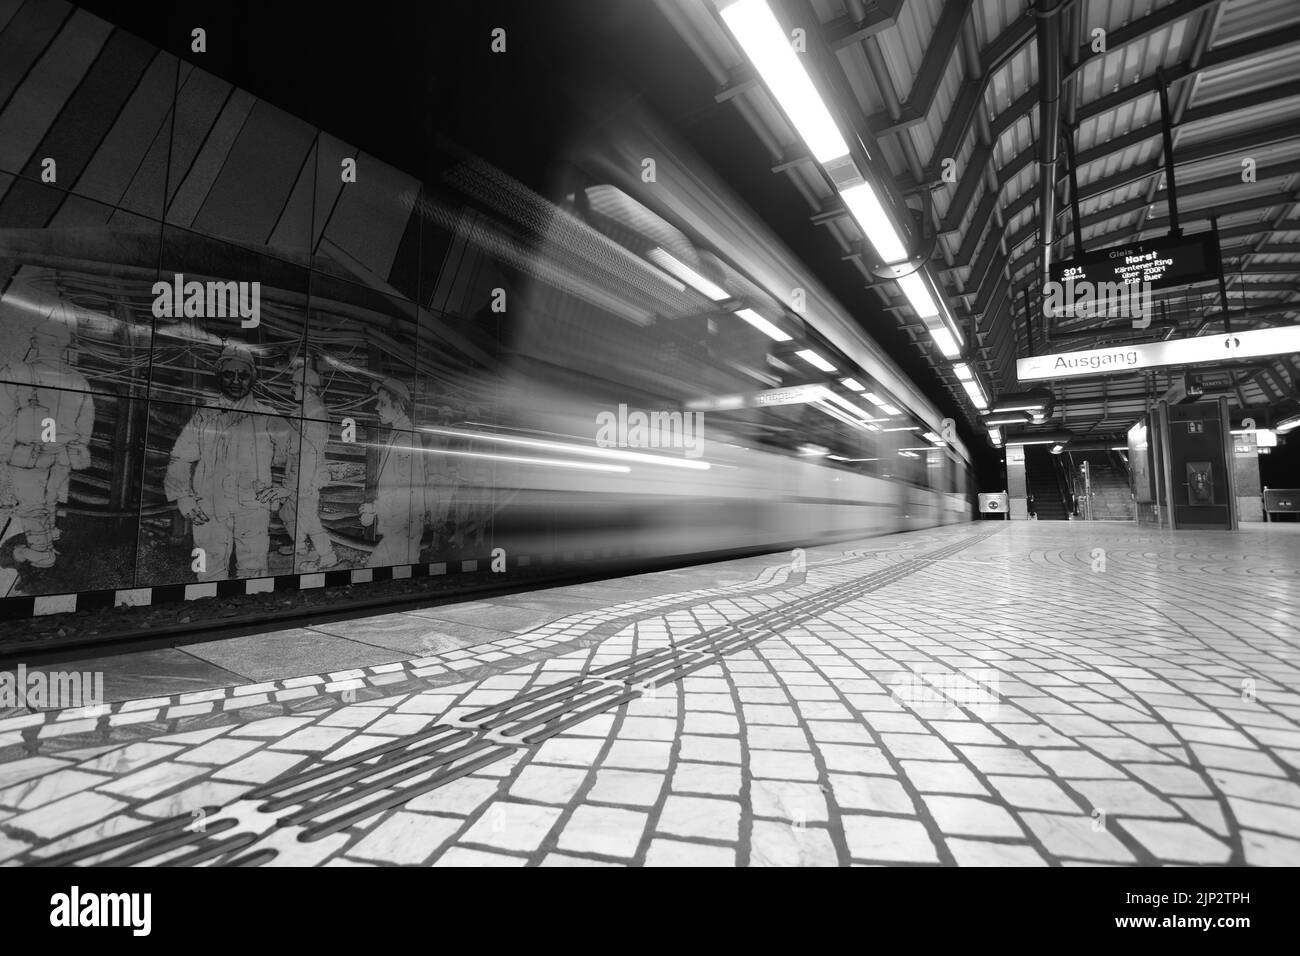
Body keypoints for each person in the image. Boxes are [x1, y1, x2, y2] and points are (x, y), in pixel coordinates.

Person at [164, 343, 293, 581]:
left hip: (253, 508)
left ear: (252, 377)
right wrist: (184, 498)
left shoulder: (268, 416)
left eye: (243, 375)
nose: (236, 381)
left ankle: (254, 615)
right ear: (219, 376)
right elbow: (180, 458)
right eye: (229, 374)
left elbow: (298, 453)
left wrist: (285, 488)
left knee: (253, 572)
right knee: (208, 573)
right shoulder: (205, 415)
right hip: (209, 508)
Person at [0, 318, 95, 569]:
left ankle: (41, 552)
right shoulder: (79, 381)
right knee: (50, 496)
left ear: (34, 342)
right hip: (63, 455)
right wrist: (77, 447)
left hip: (28, 455)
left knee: (32, 505)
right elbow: (86, 424)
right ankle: (50, 532)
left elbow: (1, 416)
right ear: (65, 347)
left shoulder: (16, 372)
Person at [360, 378, 431, 567]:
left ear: (398, 406)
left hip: (403, 524)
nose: (377, 407)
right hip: (403, 524)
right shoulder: (400, 433)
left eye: (382, 403)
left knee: (373, 570)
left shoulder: (405, 438)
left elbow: (404, 488)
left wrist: (375, 507)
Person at [277, 359, 339, 571]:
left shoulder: (316, 413)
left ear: (308, 388)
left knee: (309, 519)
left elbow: (311, 452)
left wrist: (301, 482)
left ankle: (328, 556)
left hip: (306, 476)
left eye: (295, 386)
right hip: (298, 473)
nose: (292, 389)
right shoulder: (305, 410)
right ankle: (300, 547)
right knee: (287, 514)